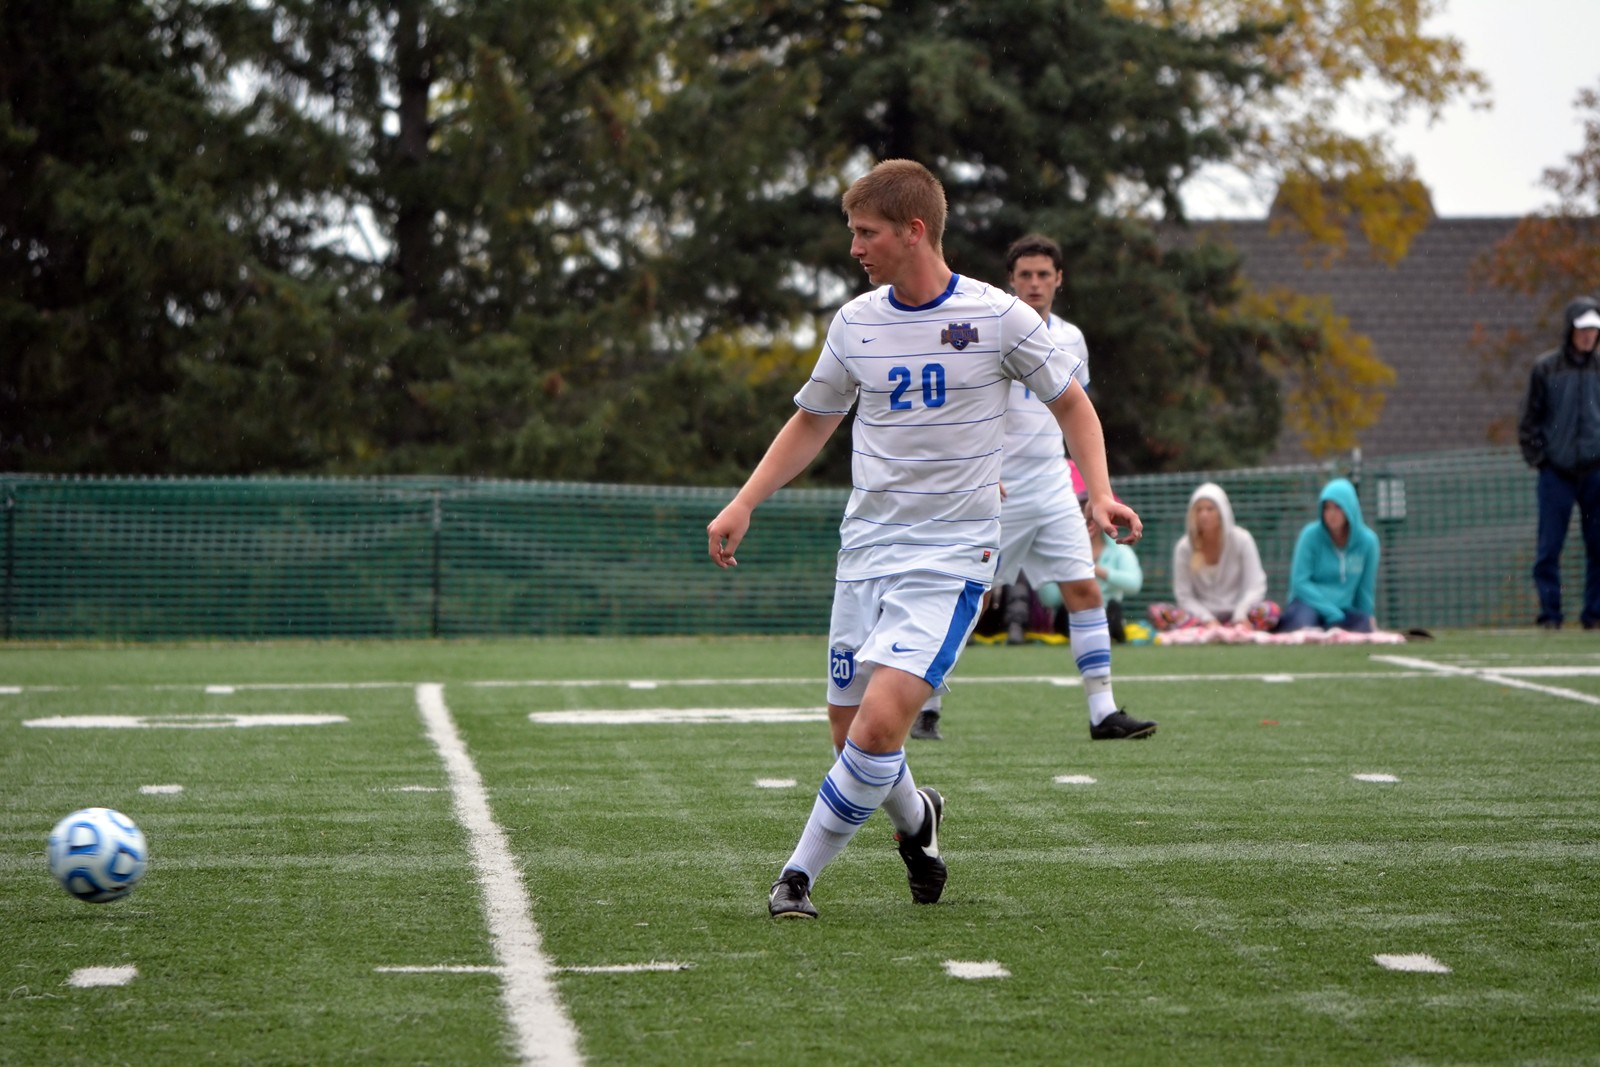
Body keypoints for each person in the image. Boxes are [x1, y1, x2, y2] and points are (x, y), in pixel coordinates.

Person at [706, 162, 1142, 919]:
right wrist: (746, 499)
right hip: (867, 548)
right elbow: (814, 418)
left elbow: (1075, 407)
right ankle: (918, 820)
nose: (855, 247)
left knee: (879, 724)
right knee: (853, 735)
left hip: (953, 555)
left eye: (866, 232)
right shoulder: (856, 321)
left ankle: (797, 875)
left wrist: (1098, 492)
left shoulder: (1002, 317)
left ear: (913, 230)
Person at [1518, 297, 1600, 629]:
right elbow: (1529, 420)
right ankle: (1550, 615)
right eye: (1582, 329)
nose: (1588, 336)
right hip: (1557, 473)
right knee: (1549, 548)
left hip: (1595, 472)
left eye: (1593, 329)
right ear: (1570, 330)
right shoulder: (1546, 369)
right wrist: (1540, 458)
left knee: (1598, 547)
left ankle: (1594, 615)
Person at [1146, 482, 1278, 633]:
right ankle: (1224, 631)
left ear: (1222, 512)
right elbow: (1184, 595)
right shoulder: (1184, 547)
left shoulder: (1242, 539)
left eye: (1210, 509)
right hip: (1200, 618)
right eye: (1199, 510)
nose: (1204, 514)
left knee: (1271, 611)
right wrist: (1207, 619)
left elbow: (1256, 585)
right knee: (1158, 612)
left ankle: (1232, 628)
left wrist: (1241, 614)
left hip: (1240, 614)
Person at [1275, 477, 1379, 633]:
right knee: (1303, 626)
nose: (1332, 514)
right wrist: (1330, 611)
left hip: (1343, 610)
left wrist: (1367, 618)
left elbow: (1365, 589)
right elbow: (1300, 582)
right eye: (1327, 508)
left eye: (1338, 507)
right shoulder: (1309, 536)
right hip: (1308, 605)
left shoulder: (1368, 542)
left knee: (1362, 625)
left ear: (1350, 508)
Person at [1083, 490, 1143, 642]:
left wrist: (1098, 571)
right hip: (1075, 612)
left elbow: (1134, 584)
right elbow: (1050, 598)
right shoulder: (1065, 551)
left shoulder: (1119, 551)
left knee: (1112, 611)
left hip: (1109, 613)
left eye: (1092, 512)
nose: (1088, 518)